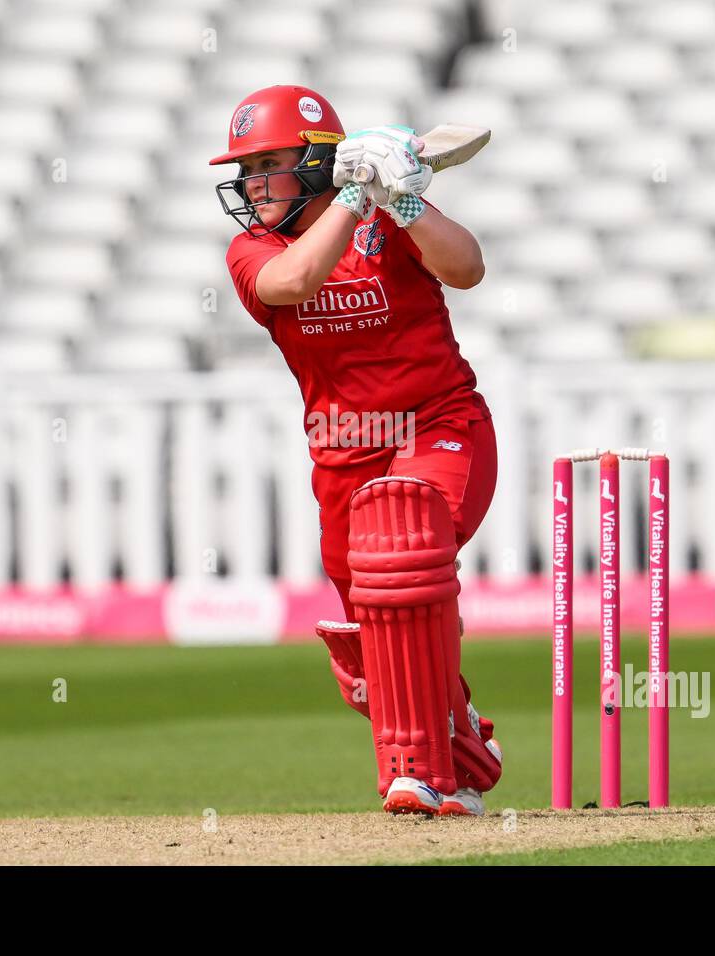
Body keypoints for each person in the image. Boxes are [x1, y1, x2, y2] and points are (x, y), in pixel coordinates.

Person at [211, 85, 502, 816]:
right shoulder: (253, 252)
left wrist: (401, 201)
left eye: (268, 164)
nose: (252, 185)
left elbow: (466, 268)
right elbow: (295, 280)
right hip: (343, 456)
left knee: (406, 553)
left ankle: (418, 773)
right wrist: (352, 197)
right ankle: (456, 741)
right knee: (372, 648)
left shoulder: (388, 221)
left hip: (438, 424)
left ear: (315, 160)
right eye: (245, 170)